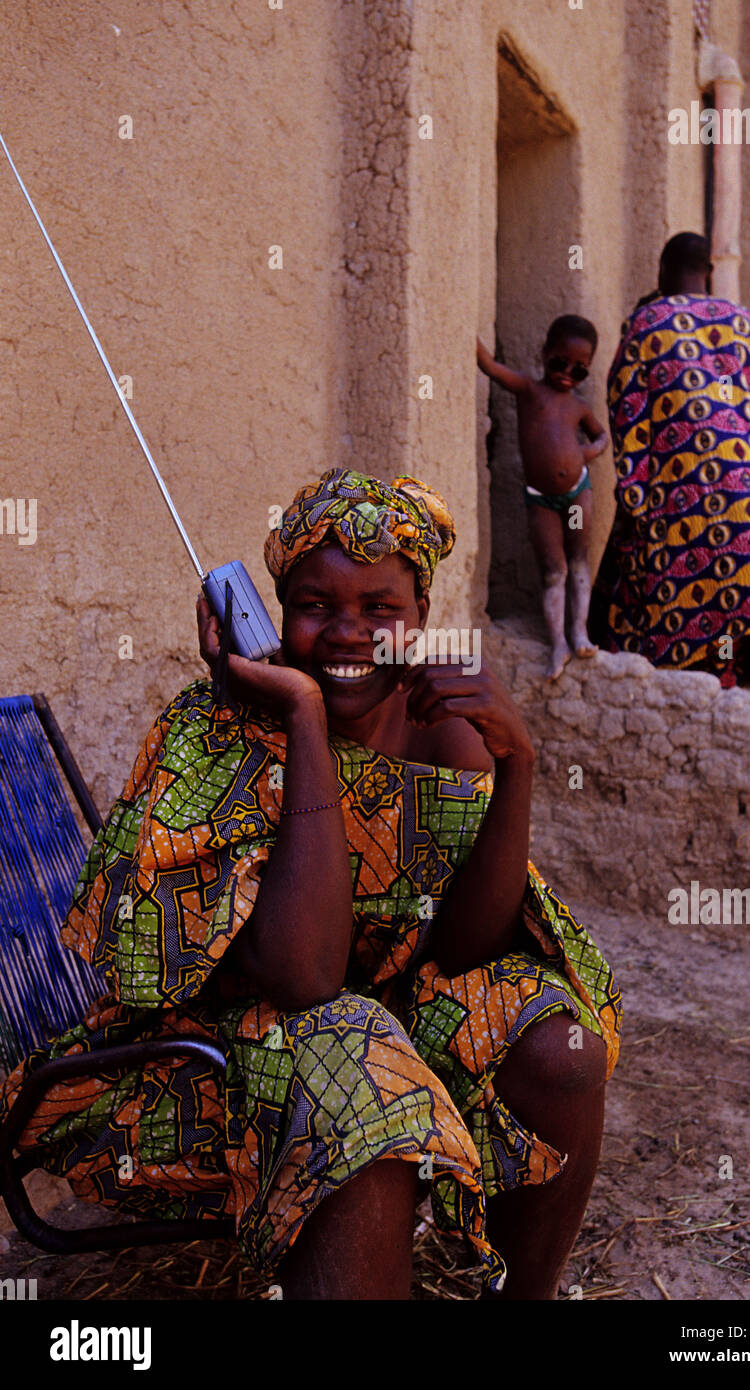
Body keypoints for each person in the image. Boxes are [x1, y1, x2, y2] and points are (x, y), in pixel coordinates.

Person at [1, 469, 621, 1300]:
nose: (346, 633)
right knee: (355, 1067)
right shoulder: (214, 733)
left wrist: (519, 767)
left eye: (381, 608)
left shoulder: (443, 726)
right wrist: (301, 721)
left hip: (375, 1026)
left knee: (552, 1035)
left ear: (423, 620)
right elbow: (304, 976)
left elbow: (469, 950)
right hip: (204, 1061)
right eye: (315, 605)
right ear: (274, 614)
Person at [589, 232, 750, 686]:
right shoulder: (744, 322)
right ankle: (736, 682)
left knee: (678, 594)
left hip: (681, 489)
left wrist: (636, 494)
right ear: (709, 275)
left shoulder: (645, 322)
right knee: (744, 596)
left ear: (661, 271)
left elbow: (628, 416)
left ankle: (698, 686)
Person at [477, 318, 609, 679]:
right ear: (544, 354)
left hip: (576, 494)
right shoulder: (528, 391)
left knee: (579, 560)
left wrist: (588, 452)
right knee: (554, 570)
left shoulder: (578, 407)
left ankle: (579, 632)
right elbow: (489, 366)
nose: (567, 373)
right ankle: (558, 644)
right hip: (540, 499)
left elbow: (601, 437)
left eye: (579, 369)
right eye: (559, 363)